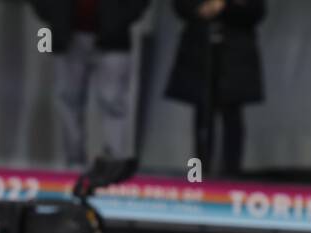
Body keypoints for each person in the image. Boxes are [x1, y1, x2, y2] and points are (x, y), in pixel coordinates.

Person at [30, 0, 152, 166]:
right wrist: (54, 15)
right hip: (67, 35)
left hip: (114, 38)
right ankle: (74, 163)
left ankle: (114, 164)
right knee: (68, 101)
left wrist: (120, 19)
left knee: (113, 102)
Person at [165, 0, 267, 177]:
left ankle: (232, 172)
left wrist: (225, 7)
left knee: (232, 114)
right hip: (201, 48)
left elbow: (257, 10)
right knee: (203, 114)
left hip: (235, 52)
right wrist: (202, 8)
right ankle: (199, 171)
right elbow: (180, 6)